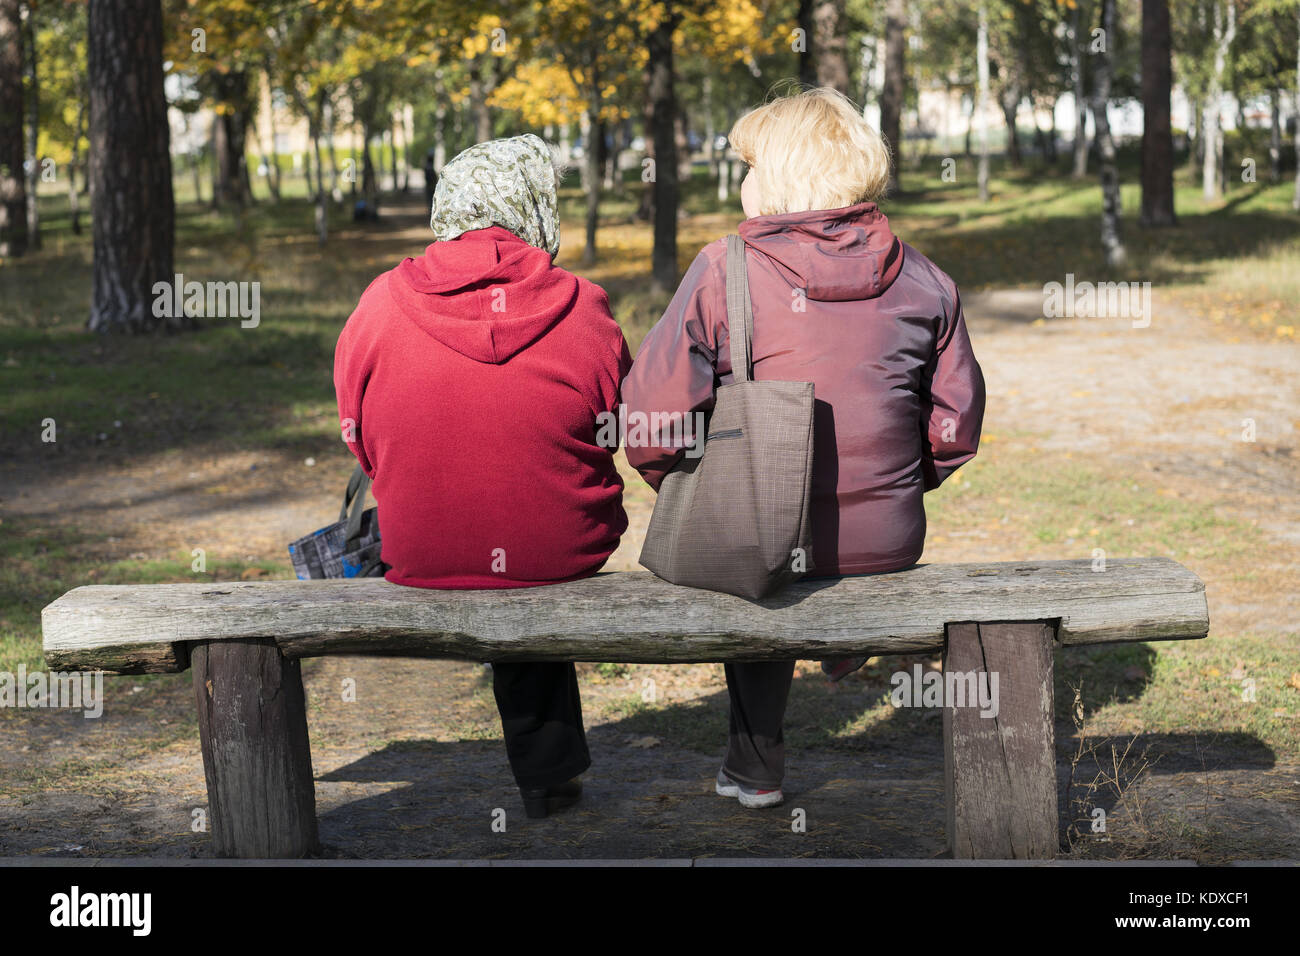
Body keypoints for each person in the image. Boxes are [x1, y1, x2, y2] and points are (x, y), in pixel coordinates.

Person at [620, 88, 986, 809]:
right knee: (783, 540)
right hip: (887, 539)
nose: (742, 183)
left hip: (764, 536)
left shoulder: (723, 268)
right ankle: (842, 637)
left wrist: (693, 486)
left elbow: (652, 421)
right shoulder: (925, 277)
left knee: (753, 542)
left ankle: (755, 768)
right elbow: (956, 427)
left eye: (749, 167)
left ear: (781, 176)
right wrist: (897, 483)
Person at [334, 134, 631, 818]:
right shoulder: (584, 305)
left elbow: (357, 433)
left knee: (495, 519)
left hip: (419, 549)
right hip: (562, 547)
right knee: (524, 523)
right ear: (536, 203)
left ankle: (549, 771)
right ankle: (549, 772)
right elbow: (616, 426)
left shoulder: (379, 303)